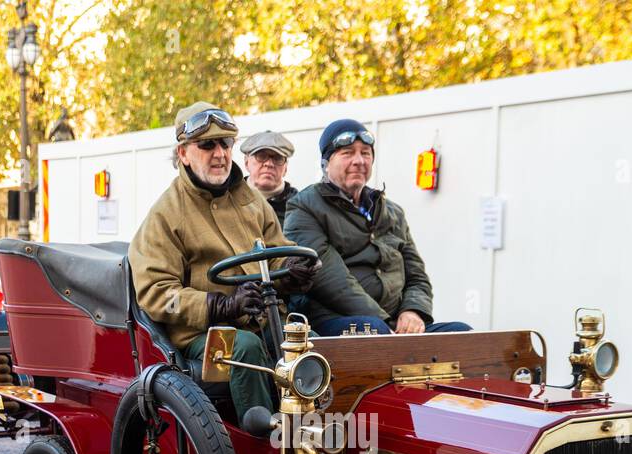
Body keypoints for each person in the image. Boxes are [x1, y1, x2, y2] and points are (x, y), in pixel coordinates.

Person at [128, 102, 318, 427]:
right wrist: (221, 305)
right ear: (183, 153)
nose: (220, 154)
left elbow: (277, 251)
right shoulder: (166, 214)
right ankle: (263, 448)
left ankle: (322, 437)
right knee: (246, 348)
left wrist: (295, 268)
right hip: (199, 338)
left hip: (262, 318)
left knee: (310, 344)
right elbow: (156, 293)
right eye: (207, 145)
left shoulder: (249, 199)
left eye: (225, 143)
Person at [284, 119, 471, 337]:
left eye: (365, 153)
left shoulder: (392, 211)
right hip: (337, 322)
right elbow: (331, 281)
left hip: (395, 324)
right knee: (375, 332)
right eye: (347, 153)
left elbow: (417, 275)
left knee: (461, 334)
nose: (359, 161)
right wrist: (385, 323)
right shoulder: (305, 206)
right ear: (326, 162)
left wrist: (413, 311)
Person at [239, 131, 296, 226]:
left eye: (278, 158)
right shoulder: (228, 200)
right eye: (261, 156)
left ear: (285, 167)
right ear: (246, 163)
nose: (269, 164)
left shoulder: (299, 207)